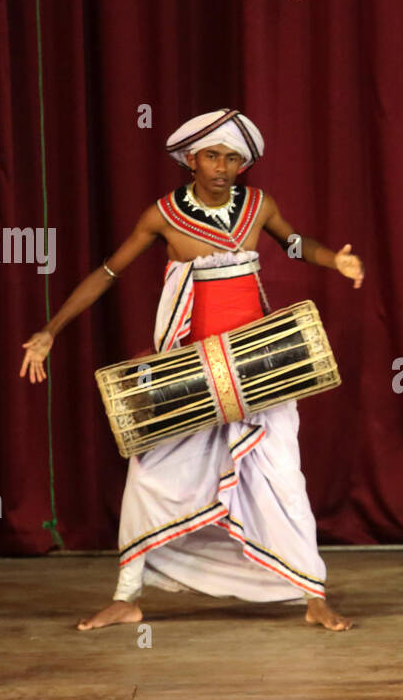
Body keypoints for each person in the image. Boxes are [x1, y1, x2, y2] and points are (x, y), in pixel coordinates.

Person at [19, 108, 363, 631]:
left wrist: (333, 260)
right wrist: (51, 330)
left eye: (232, 157)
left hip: (259, 368)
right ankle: (128, 595)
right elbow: (108, 272)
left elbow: (296, 243)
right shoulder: (163, 215)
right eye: (211, 156)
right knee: (151, 475)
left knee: (283, 478)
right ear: (189, 160)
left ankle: (312, 596)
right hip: (190, 373)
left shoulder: (258, 206)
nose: (222, 166)